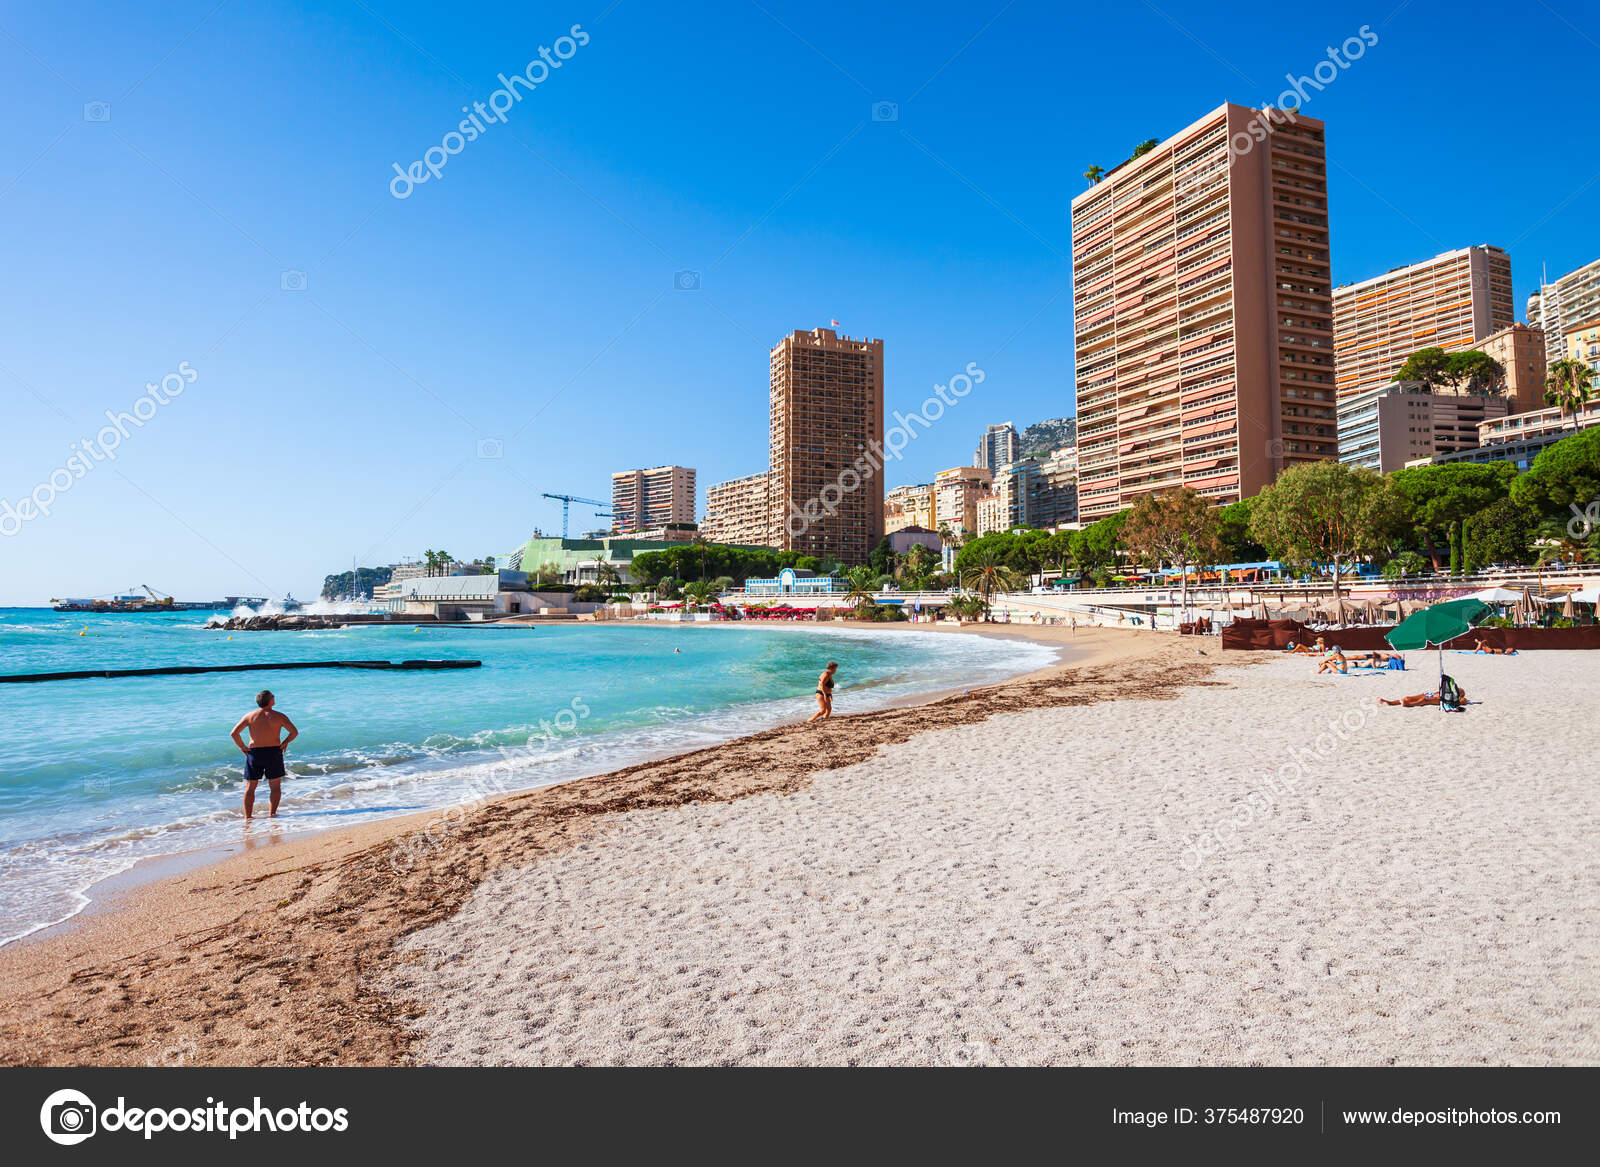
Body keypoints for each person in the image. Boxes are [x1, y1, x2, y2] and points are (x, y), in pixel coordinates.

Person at [230, 689, 297, 819]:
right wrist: (285, 742)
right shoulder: (279, 716)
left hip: (255, 753)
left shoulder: (250, 716)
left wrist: (242, 747)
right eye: (273, 696)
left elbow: (234, 733)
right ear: (270, 701)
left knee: (250, 787)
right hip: (273, 752)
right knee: (275, 786)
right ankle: (272, 814)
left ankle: (248, 817)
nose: (274, 698)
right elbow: (294, 732)